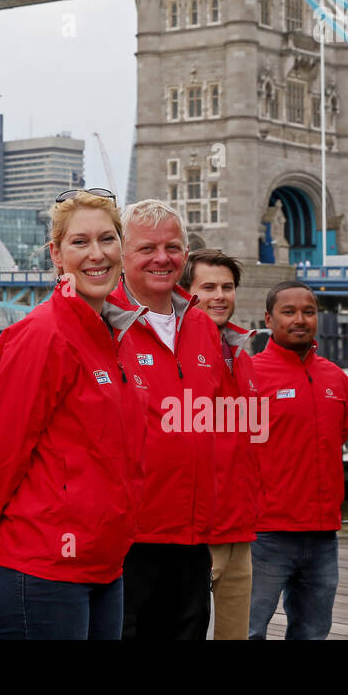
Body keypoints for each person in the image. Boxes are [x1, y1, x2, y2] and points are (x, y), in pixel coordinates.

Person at [0, 189, 148, 639]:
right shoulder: (43, 335)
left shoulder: (112, 337)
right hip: (36, 567)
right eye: (80, 242)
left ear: (122, 247)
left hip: (101, 565)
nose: (96, 254)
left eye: (107, 239)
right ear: (56, 256)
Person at [109, 199, 226, 640]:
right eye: (148, 248)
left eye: (173, 247)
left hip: (192, 536)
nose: (163, 258)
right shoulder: (101, 321)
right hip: (126, 539)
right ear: (122, 254)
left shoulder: (202, 326)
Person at [248, 281, 348, 640]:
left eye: (308, 312)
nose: (300, 319)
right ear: (269, 318)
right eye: (289, 311)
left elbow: (339, 435)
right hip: (266, 533)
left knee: (312, 633)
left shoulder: (337, 379)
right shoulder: (247, 376)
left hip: (324, 536)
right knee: (246, 631)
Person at [180, 248, 261, 640]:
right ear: (185, 293)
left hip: (239, 528)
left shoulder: (241, 356)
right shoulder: (176, 354)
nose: (220, 296)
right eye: (207, 287)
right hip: (194, 534)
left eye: (227, 287)